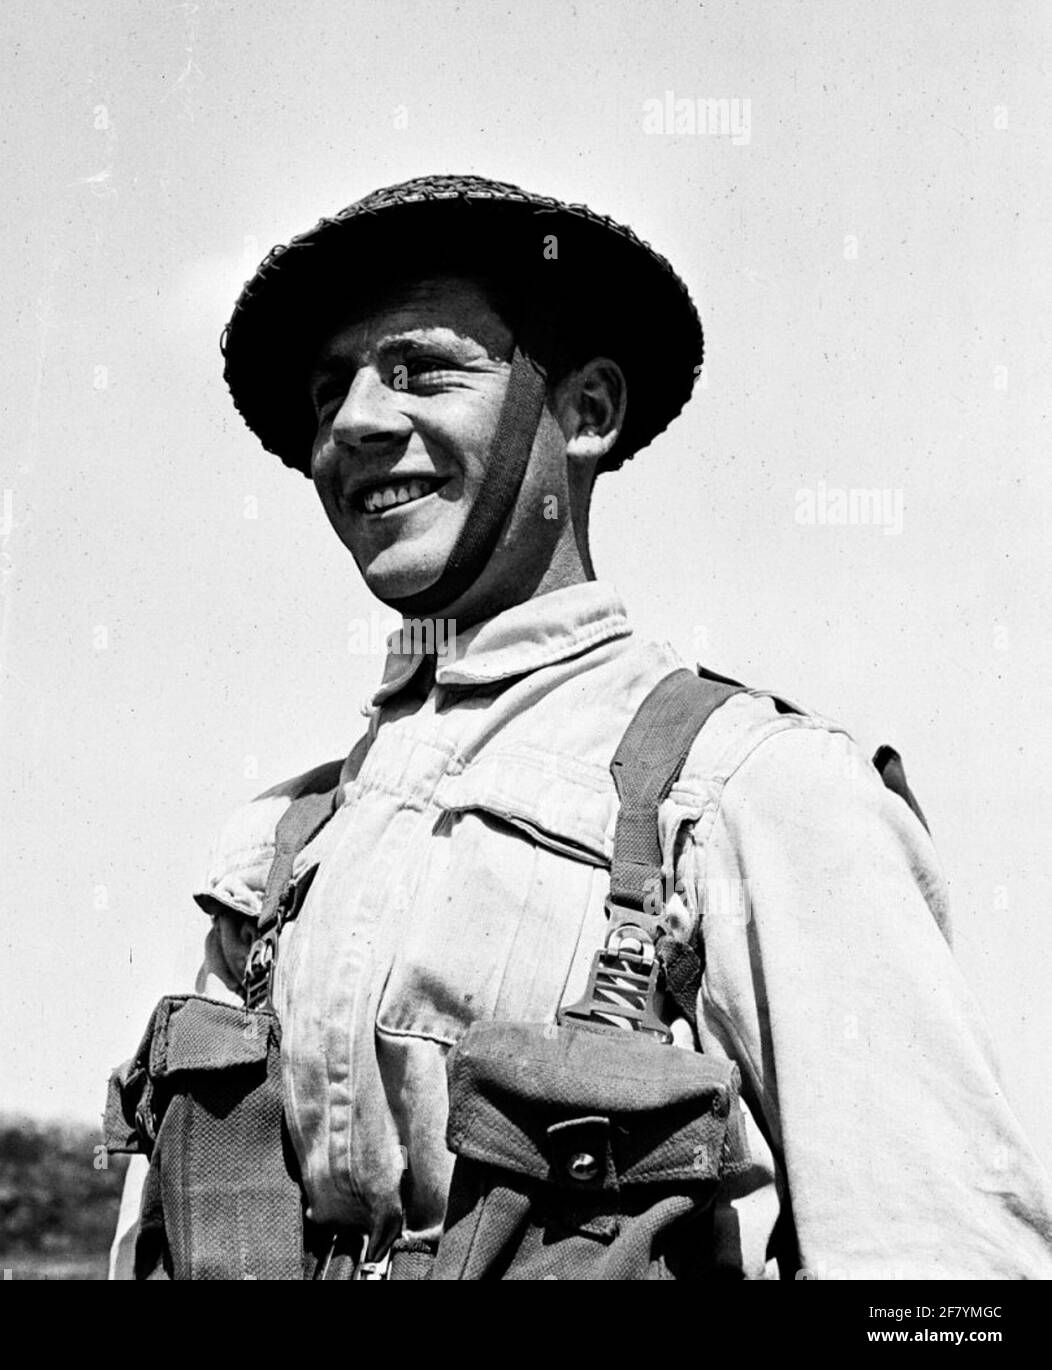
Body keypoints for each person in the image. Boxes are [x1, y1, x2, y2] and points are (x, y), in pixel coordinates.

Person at [106, 174, 1052, 1280]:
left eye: (420, 369)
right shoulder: (277, 848)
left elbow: (937, 1269)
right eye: (329, 391)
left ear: (588, 413)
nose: (353, 422)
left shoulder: (753, 791)